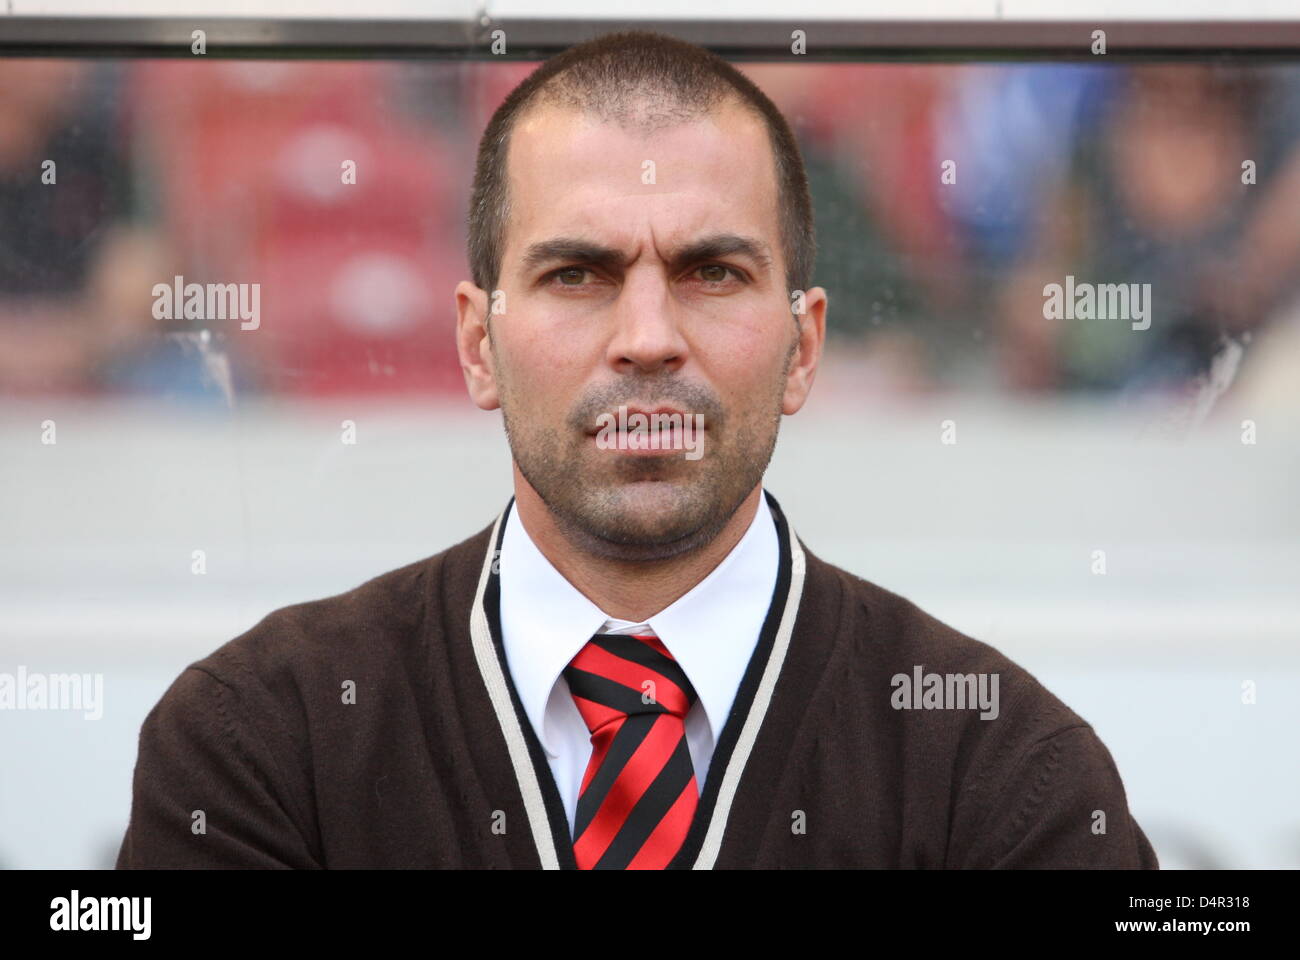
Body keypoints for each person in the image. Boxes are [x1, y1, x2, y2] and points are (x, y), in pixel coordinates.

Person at [116, 29, 1157, 870]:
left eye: (712, 272)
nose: (649, 337)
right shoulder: (263, 745)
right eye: (578, 273)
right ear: (477, 345)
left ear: (804, 345)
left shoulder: (1003, 771)